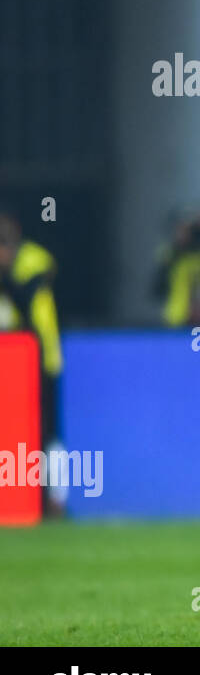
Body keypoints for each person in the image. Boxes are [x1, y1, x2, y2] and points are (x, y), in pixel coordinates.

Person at [0, 209, 65, 517]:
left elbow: (26, 295)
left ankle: (54, 500)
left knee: (48, 430)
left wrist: (5, 271)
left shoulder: (34, 258)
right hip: (12, 362)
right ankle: (21, 496)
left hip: (41, 358)